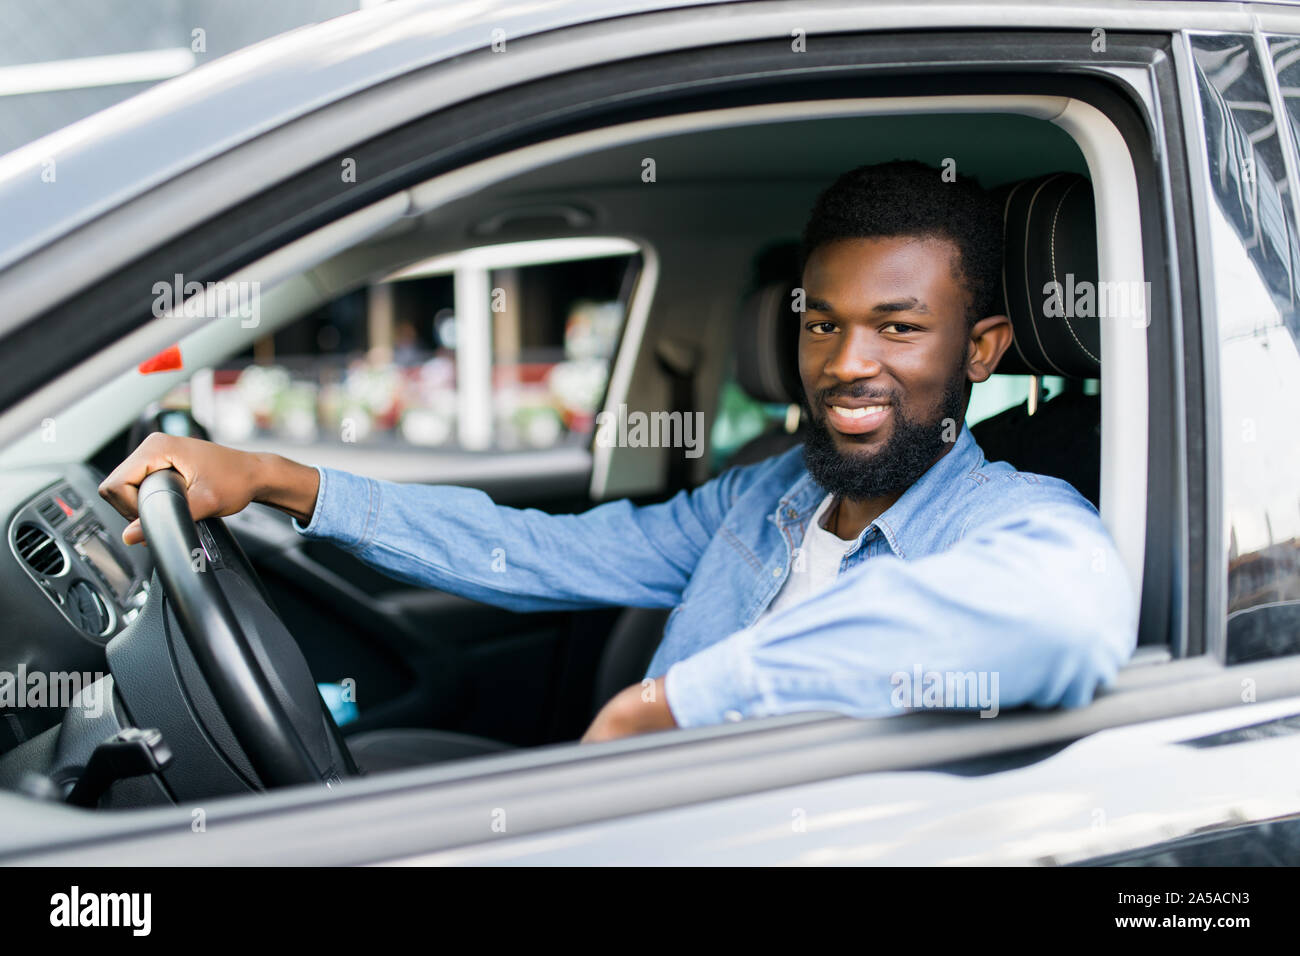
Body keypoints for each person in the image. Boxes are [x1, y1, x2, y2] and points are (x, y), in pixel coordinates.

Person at [99, 160, 1137, 745]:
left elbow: (1059, 617)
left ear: (983, 348)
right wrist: (274, 478)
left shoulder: (1017, 513)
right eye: (823, 324)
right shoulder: (769, 496)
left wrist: (670, 703)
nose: (846, 362)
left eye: (898, 328)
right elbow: (540, 552)